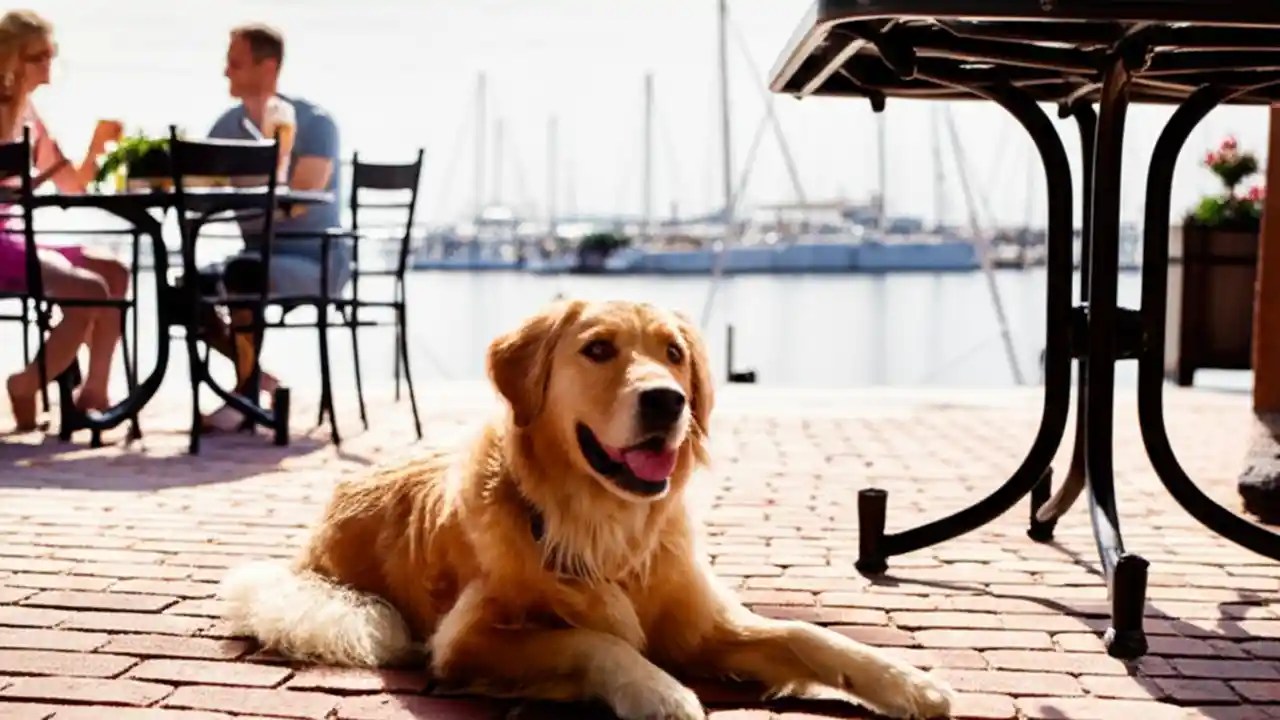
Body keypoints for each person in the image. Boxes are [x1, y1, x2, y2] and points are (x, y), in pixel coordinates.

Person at [196, 23, 346, 431]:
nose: (226, 72)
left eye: (235, 63)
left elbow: (301, 197)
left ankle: (244, 399)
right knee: (186, 290)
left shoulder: (315, 123)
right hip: (255, 256)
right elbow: (198, 184)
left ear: (269, 67)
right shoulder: (227, 127)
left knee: (242, 273)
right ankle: (259, 382)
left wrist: (270, 166)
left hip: (314, 259)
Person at [0, 9, 129, 431]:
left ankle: (94, 393)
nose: (48, 65)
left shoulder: (29, 114)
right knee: (89, 290)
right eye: (39, 56)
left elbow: (73, 186)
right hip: (5, 241)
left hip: (13, 237)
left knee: (114, 271)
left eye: (51, 55)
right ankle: (26, 384)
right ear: (12, 57)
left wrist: (97, 147)